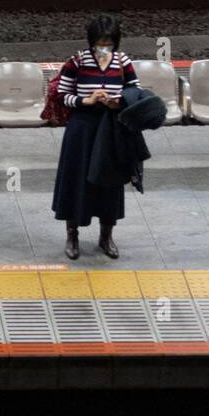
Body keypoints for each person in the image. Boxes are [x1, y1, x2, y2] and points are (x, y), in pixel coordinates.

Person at [52, 13, 140, 260]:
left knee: (110, 182)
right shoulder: (77, 62)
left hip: (111, 127)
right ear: (91, 41)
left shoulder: (122, 61)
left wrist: (119, 101)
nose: (104, 48)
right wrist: (86, 100)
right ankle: (72, 235)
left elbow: (136, 90)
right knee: (76, 179)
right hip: (82, 128)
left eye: (109, 43)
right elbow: (61, 95)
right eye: (100, 42)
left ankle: (106, 236)